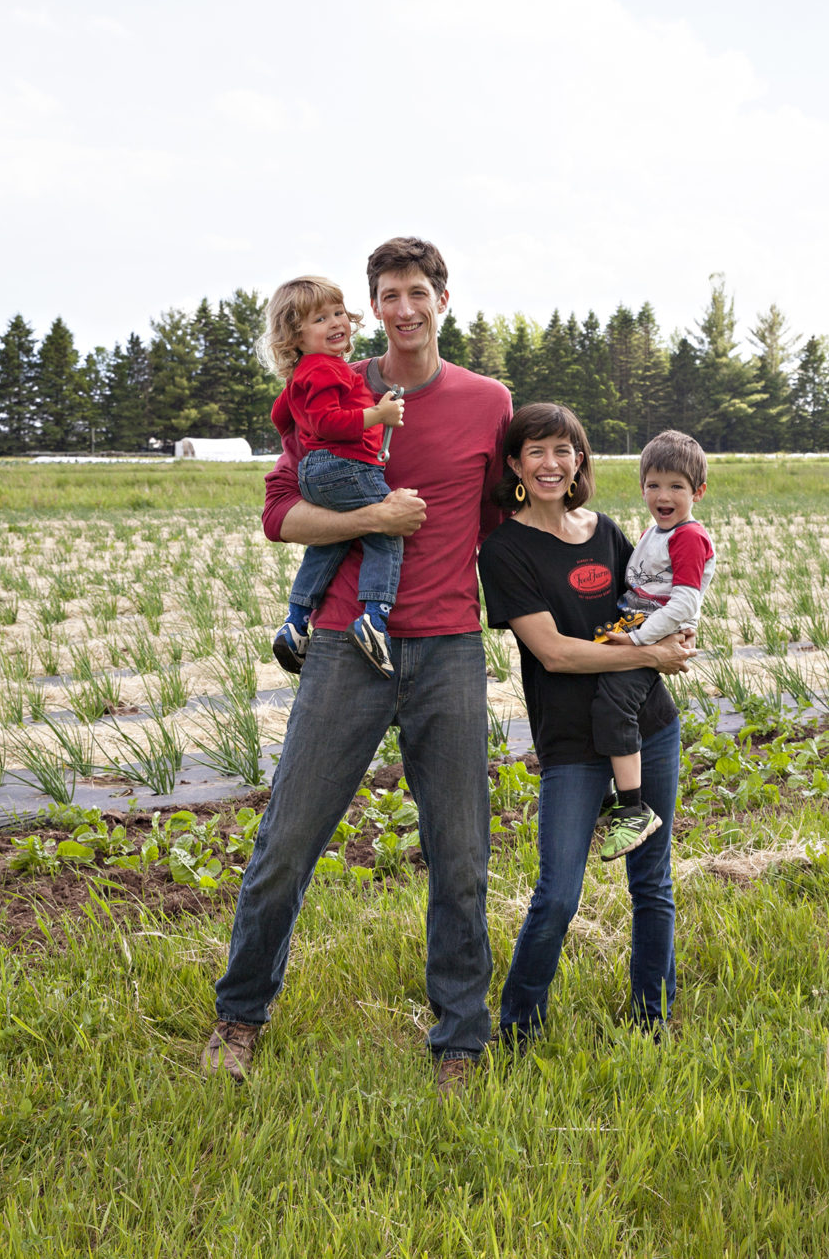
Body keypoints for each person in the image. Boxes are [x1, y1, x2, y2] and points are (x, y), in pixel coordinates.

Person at [204, 237, 512, 1094]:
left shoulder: (488, 402)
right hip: (346, 643)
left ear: (443, 299)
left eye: (418, 292)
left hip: (448, 645)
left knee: (461, 855)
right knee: (286, 842)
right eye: (388, 295)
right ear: (372, 307)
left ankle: (460, 1041)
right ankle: (239, 1016)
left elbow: (504, 519)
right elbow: (281, 515)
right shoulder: (336, 387)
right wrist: (374, 517)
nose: (403, 309)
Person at [476, 404, 696, 1048]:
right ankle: (519, 1027)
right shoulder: (505, 549)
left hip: (646, 726)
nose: (551, 464)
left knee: (652, 881)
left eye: (563, 450)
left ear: (580, 461)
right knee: (557, 894)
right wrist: (650, 655)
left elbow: (649, 601)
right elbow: (555, 653)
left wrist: (677, 631)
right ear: (515, 465)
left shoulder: (606, 531)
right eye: (536, 451)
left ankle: (654, 1018)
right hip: (572, 741)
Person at [257, 274, 407, 678]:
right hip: (347, 464)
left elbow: (281, 415)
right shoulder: (326, 369)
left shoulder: (304, 373)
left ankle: (296, 620)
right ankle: (374, 618)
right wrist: (378, 414)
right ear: (296, 336)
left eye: (338, 312)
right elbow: (327, 422)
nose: (336, 322)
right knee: (386, 532)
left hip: (317, 469)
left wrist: (304, 433)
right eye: (320, 319)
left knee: (331, 540)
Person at [586, 429, 715, 861]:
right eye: (654, 485)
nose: (664, 495)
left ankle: (632, 808)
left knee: (615, 704)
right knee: (591, 690)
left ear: (697, 492)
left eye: (676, 486)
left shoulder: (688, 537)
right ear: (642, 487)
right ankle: (609, 795)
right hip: (636, 625)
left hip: (650, 633)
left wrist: (638, 640)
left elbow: (685, 602)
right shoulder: (654, 532)